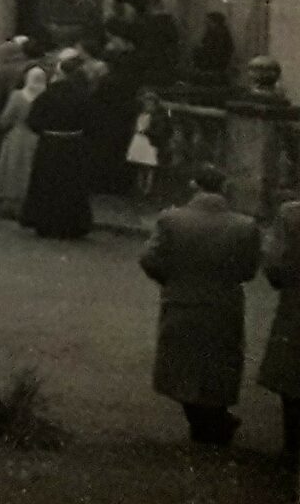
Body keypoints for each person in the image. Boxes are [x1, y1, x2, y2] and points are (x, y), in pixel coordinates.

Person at [139, 165, 261, 447]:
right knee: (216, 367)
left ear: (194, 186)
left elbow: (149, 258)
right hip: (224, 304)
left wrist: (170, 280)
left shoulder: (172, 219)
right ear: (225, 189)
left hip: (182, 300)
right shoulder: (244, 226)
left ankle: (208, 426)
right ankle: (215, 423)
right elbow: (248, 270)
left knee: (182, 367)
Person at [22, 51, 96, 241]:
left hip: (51, 145)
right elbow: (92, 123)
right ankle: (71, 224)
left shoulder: (47, 95)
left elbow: (32, 120)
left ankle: (44, 222)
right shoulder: (83, 96)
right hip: (73, 145)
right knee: (71, 186)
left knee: (47, 184)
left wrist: (46, 132)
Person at [258, 191, 300, 468]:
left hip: (296, 307)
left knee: (293, 374)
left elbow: (274, 265)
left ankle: (293, 446)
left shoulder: (291, 214)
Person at [0, 65, 48, 216]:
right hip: (38, 137)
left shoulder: (18, 95)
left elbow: (5, 118)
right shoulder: (46, 96)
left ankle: (10, 203)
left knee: (12, 168)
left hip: (18, 135)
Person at [126, 87, 170, 198]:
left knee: (150, 166)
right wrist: (135, 131)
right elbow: (134, 126)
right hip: (140, 141)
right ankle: (140, 187)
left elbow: (160, 131)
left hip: (150, 143)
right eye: (146, 102)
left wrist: (147, 132)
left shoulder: (158, 117)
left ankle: (148, 189)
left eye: (150, 103)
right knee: (140, 165)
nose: (148, 105)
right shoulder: (141, 114)